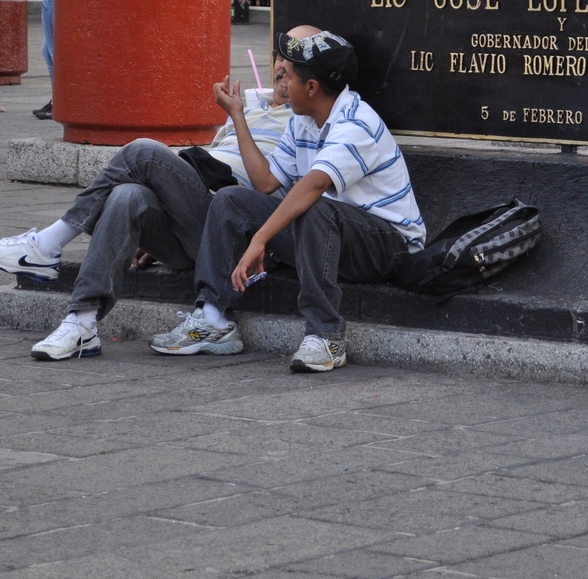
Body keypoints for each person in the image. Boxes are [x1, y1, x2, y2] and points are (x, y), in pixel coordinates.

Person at [0, 30, 318, 361]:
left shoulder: (307, 121)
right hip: (193, 216)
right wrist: (166, 212)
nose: (282, 67)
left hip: (232, 232)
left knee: (143, 151)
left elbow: (270, 187)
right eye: (280, 57)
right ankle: (82, 322)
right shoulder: (249, 103)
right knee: (127, 196)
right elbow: (211, 161)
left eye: (294, 61)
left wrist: (238, 116)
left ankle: (49, 243)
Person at [150, 28, 424, 374]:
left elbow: (313, 186)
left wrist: (261, 239)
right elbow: (265, 182)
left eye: (289, 75)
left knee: (315, 207)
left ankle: (326, 336)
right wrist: (238, 115)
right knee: (231, 199)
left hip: (387, 246)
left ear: (312, 88)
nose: (281, 79)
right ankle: (214, 318)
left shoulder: (357, 123)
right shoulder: (303, 120)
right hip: (330, 237)